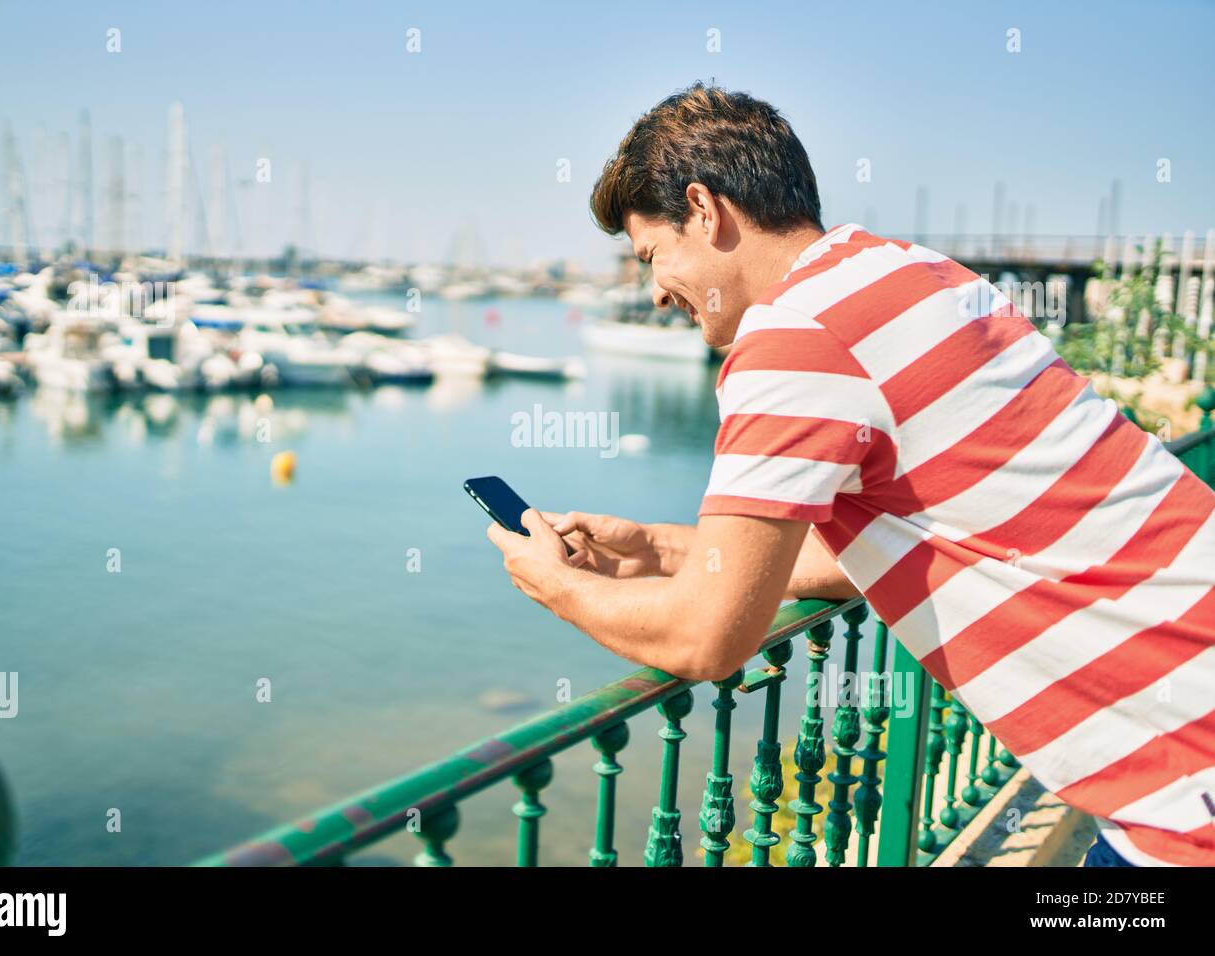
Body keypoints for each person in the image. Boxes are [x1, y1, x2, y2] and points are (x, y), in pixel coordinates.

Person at [485, 83, 1215, 867]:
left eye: (652, 256)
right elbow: (928, 529)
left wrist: (553, 584)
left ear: (704, 209)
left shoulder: (793, 337)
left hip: (1186, 787)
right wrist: (660, 549)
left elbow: (706, 639)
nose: (656, 290)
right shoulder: (914, 273)